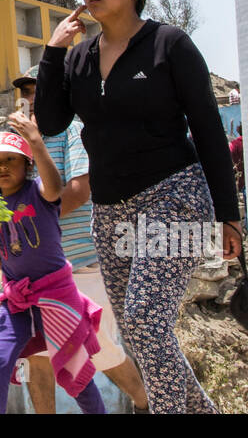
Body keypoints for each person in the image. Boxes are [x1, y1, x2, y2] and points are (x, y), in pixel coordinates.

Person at [36, 0, 241, 414]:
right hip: (111, 211)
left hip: (173, 196)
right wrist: (53, 50)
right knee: (138, 332)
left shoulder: (169, 44)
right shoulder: (81, 57)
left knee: (147, 323)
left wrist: (229, 215)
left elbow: (209, 129)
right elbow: (50, 119)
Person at [10, 72, 149, 414]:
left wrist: (36, 219)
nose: (31, 101)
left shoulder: (72, 131)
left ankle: (147, 404)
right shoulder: (18, 143)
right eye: (27, 94)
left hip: (83, 263)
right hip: (36, 270)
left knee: (100, 350)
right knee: (37, 355)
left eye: (38, 94)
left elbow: (80, 189)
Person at [0, 124, 105, 415]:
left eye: (11, 159)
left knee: (74, 371)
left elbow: (57, 188)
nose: (2, 167)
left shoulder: (39, 193)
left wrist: (35, 140)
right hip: (17, 300)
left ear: (27, 164)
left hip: (57, 295)